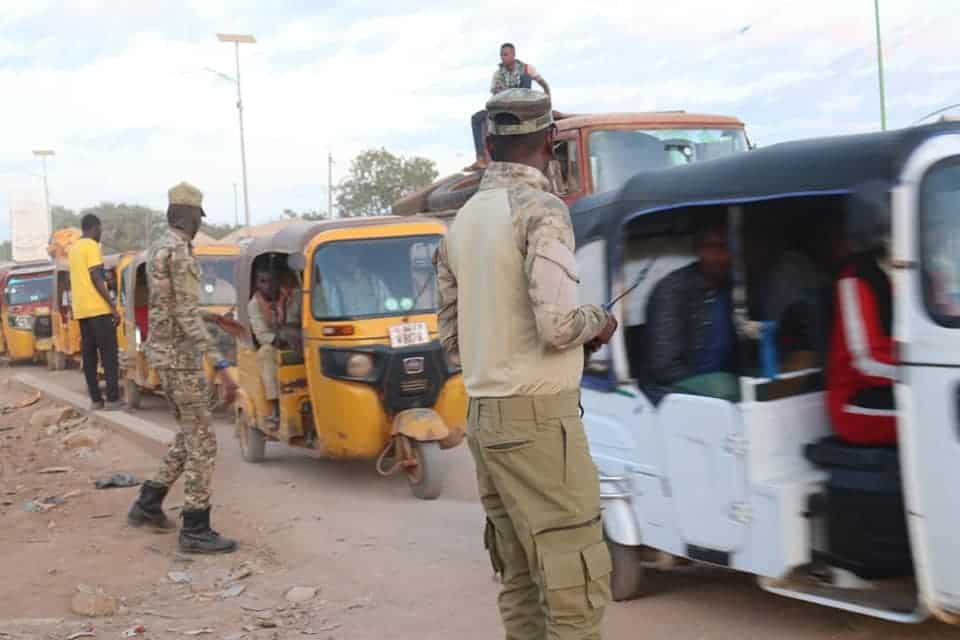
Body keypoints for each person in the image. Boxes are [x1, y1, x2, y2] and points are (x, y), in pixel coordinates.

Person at [435, 88, 618, 639]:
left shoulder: (461, 224)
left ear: (489, 145)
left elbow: (453, 342)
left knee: (519, 582)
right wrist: (599, 323)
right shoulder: (543, 211)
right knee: (573, 589)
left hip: (486, 418)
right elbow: (559, 325)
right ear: (549, 143)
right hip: (540, 424)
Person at [126, 181, 239, 554]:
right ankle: (195, 528)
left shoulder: (158, 248)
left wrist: (212, 317)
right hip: (181, 358)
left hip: (165, 354)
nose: (197, 225)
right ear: (186, 214)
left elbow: (171, 308)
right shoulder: (180, 252)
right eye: (196, 218)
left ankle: (148, 502)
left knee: (189, 436)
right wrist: (220, 362)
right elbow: (184, 314)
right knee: (204, 442)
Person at [827, 182, 896, 446]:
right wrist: (924, 374)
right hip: (856, 402)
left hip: (901, 386)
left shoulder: (917, 277)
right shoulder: (855, 280)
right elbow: (864, 361)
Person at [645, 213, 739, 401]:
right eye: (715, 248)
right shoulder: (671, 291)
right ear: (698, 249)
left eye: (728, 248)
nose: (723, 256)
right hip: (674, 397)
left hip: (722, 395)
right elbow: (664, 367)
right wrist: (714, 388)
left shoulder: (732, 288)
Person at [467, 43, 551, 172]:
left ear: (513, 55)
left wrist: (547, 99)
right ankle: (481, 158)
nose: (503, 57)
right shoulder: (498, 74)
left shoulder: (527, 69)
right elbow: (495, 97)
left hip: (525, 108)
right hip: (505, 110)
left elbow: (543, 84)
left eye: (506, 54)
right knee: (477, 118)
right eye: (501, 55)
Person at [67, 214, 121, 410]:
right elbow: (96, 278)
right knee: (109, 355)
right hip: (98, 308)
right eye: (100, 229)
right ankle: (114, 400)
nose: (101, 233)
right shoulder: (92, 246)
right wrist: (113, 307)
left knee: (89, 356)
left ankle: (96, 400)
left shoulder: (73, 250)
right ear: (94, 228)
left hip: (81, 311)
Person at [247, 269, 301, 424]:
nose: (267, 285)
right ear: (257, 284)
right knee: (265, 353)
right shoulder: (255, 304)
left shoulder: (293, 295)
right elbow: (262, 335)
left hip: (301, 337)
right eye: (262, 281)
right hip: (276, 343)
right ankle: (275, 406)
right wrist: (284, 337)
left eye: (271, 281)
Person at [315, 245, 391, 317]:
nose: (350, 258)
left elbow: (387, 310)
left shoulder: (375, 282)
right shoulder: (325, 286)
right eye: (344, 253)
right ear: (335, 256)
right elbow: (321, 317)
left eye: (353, 253)